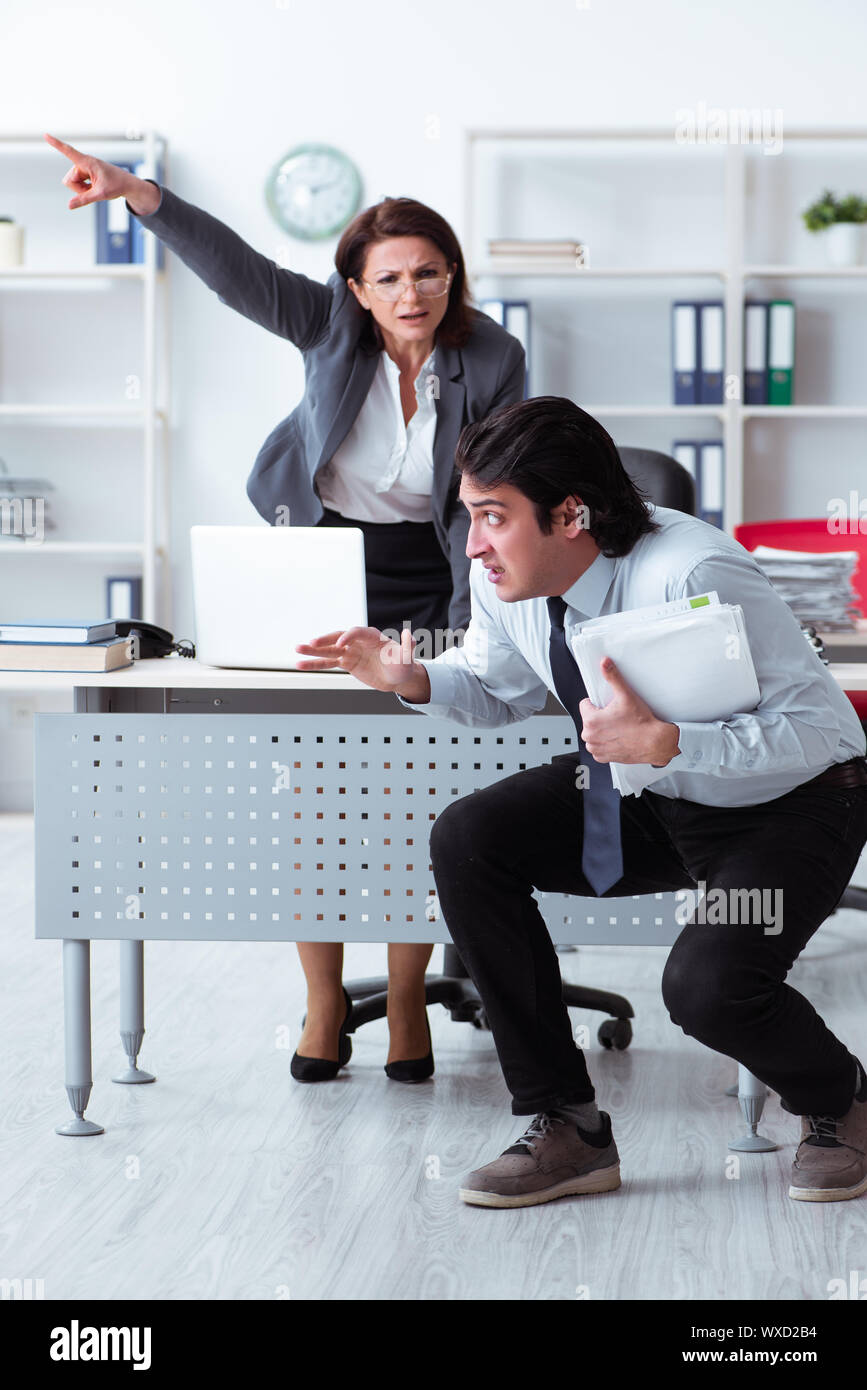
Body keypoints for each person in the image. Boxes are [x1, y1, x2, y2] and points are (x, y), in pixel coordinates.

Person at [295, 395, 867, 1208]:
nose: (474, 544)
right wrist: (412, 678)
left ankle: (842, 1100)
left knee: (704, 990)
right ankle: (565, 1125)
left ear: (570, 514)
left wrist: (673, 744)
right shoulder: (504, 578)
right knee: (472, 836)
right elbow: (499, 685)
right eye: (468, 515)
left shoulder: (691, 572)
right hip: (654, 788)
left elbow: (819, 730)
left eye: (492, 516)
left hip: (793, 800)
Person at [44, 132, 526, 1086]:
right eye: (389, 278)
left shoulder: (494, 355)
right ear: (356, 288)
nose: (411, 294)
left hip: (433, 575)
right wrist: (141, 193)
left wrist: (491, 613)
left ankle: (400, 1002)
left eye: (430, 273)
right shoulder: (327, 327)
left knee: (405, 798)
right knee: (311, 797)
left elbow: (498, 478)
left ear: (452, 278)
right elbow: (238, 274)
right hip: (317, 562)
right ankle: (318, 999)